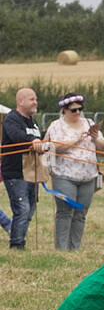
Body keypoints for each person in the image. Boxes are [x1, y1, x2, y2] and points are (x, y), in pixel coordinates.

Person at [44, 92, 104, 251]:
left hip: (88, 176)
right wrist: (77, 139)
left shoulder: (89, 122)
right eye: (73, 110)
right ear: (64, 110)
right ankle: (62, 249)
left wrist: (95, 138)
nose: (78, 112)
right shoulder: (56, 126)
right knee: (65, 212)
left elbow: (103, 148)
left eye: (80, 109)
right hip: (64, 176)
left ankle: (74, 248)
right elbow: (55, 148)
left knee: (81, 213)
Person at [2, 87, 44, 250]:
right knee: (22, 208)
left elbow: (38, 139)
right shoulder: (11, 119)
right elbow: (17, 137)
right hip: (15, 173)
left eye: (36, 99)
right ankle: (17, 244)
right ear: (21, 101)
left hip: (32, 171)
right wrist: (32, 141)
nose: (35, 102)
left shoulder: (32, 121)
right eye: (32, 99)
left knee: (31, 208)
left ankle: (18, 236)